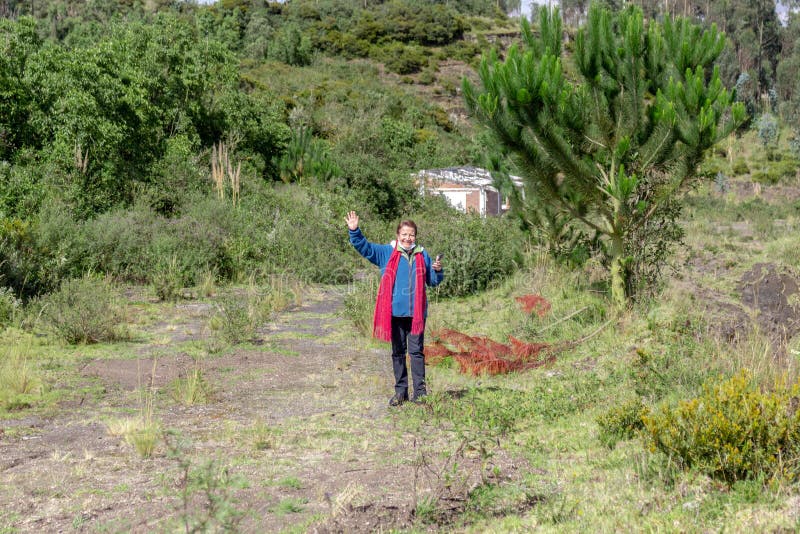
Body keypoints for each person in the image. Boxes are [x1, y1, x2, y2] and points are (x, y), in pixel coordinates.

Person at [346, 211, 444, 406]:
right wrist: (354, 231)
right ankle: (401, 393)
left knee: (416, 353)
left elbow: (432, 282)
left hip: (416, 315)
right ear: (398, 235)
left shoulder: (422, 254)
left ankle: (420, 393)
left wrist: (438, 271)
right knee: (398, 353)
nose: (408, 238)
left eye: (412, 235)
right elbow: (365, 248)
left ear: (415, 236)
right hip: (394, 313)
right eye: (405, 234)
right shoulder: (387, 252)